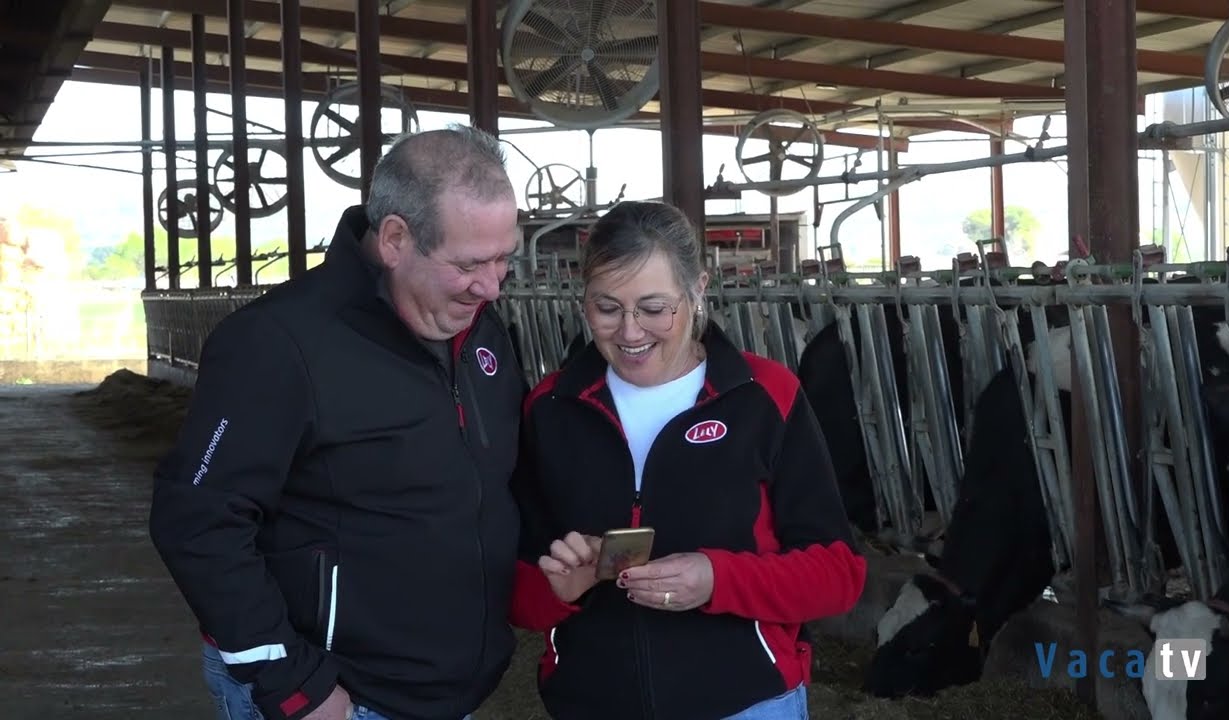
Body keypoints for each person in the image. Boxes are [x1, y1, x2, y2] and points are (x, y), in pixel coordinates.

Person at [148, 126, 525, 720]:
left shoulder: (481, 333)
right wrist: (294, 685)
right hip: (340, 697)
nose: (493, 286)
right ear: (396, 238)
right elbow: (196, 519)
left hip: (449, 692)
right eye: (472, 263)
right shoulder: (278, 344)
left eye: (506, 257)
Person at [508, 200, 868, 719]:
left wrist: (717, 580)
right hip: (592, 704)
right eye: (606, 308)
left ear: (697, 288)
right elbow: (514, 590)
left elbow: (838, 576)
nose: (630, 332)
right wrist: (562, 589)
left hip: (746, 705)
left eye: (654, 308)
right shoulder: (549, 409)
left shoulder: (765, 397)